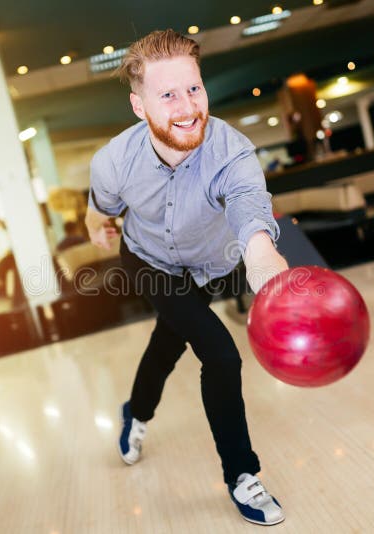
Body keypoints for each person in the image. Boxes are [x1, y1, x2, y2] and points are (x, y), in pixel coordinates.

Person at [85, 29, 289, 526]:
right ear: (139, 105)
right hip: (147, 259)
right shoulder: (114, 160)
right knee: (219, 352)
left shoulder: (232, 153)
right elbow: (97, 213)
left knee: (169, 341)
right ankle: (243, 475)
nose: (187, 106)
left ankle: (136, 411)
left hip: (205, 265)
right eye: (168, 94)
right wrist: (98, 231)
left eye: (194, 88)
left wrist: (270, 274)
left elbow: (251, 219)